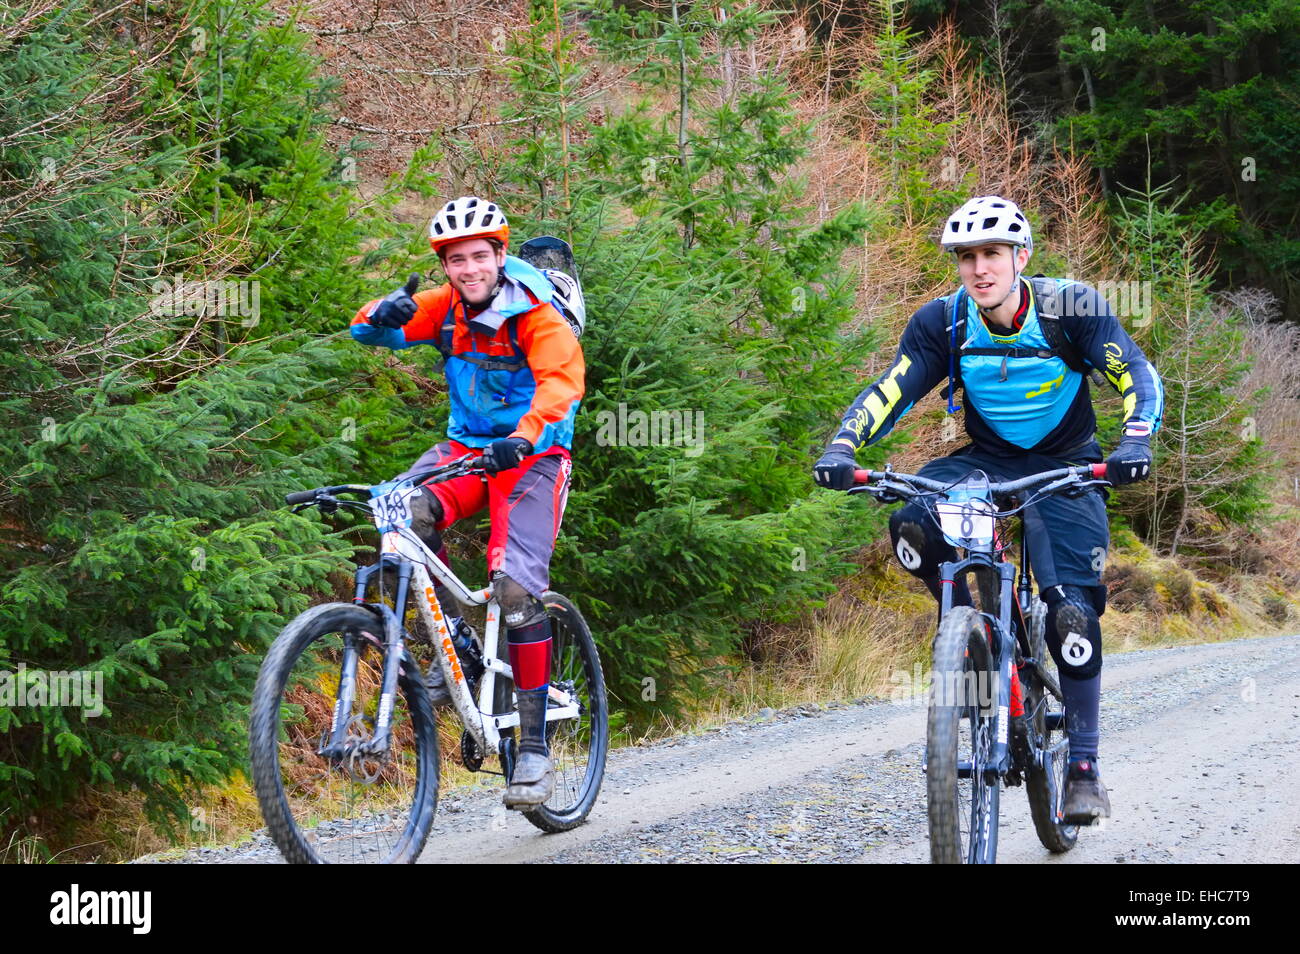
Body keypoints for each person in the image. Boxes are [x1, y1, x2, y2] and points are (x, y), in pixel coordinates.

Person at [813, 195, 1164, 824]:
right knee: (912, 523)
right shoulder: (944, 323)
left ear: (1021, 257)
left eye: (992, 254)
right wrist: (844, 443)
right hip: (986, 461)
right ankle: (973, 632)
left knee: (1073, 618)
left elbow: (1135, 371)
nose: (980, 268)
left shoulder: (1070, 309)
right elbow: (893, 387)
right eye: (967, 257)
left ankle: (1083, 766)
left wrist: (1136, 436)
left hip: (1068, 467)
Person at [349, 195, 585, 809]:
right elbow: (366, 330)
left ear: (500, 257)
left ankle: (532, 748)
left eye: (480, 256)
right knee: (402, 514)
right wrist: (384, 313)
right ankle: (453, 640)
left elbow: (562, 380)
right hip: (465, 449)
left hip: (534, 455)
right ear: (445, 265)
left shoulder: (537, 316)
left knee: (512, 587)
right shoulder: (446, 308)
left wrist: (526, 435)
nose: (470, 268)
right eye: (457, 259)